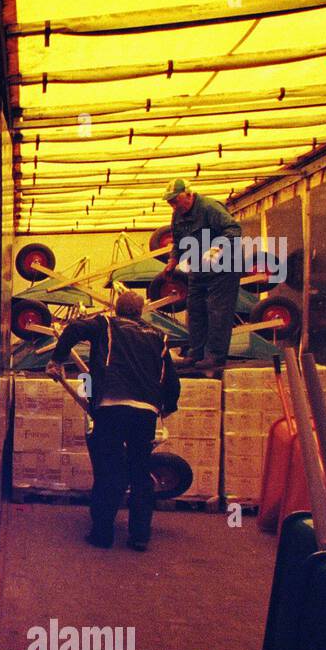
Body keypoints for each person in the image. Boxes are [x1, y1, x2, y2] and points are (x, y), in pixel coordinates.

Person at [47, 290, 181, 551]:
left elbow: (74, 328)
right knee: (140, 471)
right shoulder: (158, 336)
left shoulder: (105, 324)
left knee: (109, 470)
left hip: (111, 405)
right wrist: (168, 406)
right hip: (145, 410)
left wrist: (57, 359)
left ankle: (102, 534)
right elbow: (171, 379)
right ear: (140, 312)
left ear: (117, 308)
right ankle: (139, 536)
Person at [160, 178, 243, 371]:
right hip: (198, 270)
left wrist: (217, 247)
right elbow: (178, 241)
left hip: (223, 269)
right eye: (170, 202)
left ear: (188, 195)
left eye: (175, 201)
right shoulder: (177, 215)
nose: (173, 206)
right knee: (195, 310)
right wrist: (173, 260)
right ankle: (196, 354)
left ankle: (215, 356)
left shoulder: (209, 208)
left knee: (218, 312)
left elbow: (234, 229)